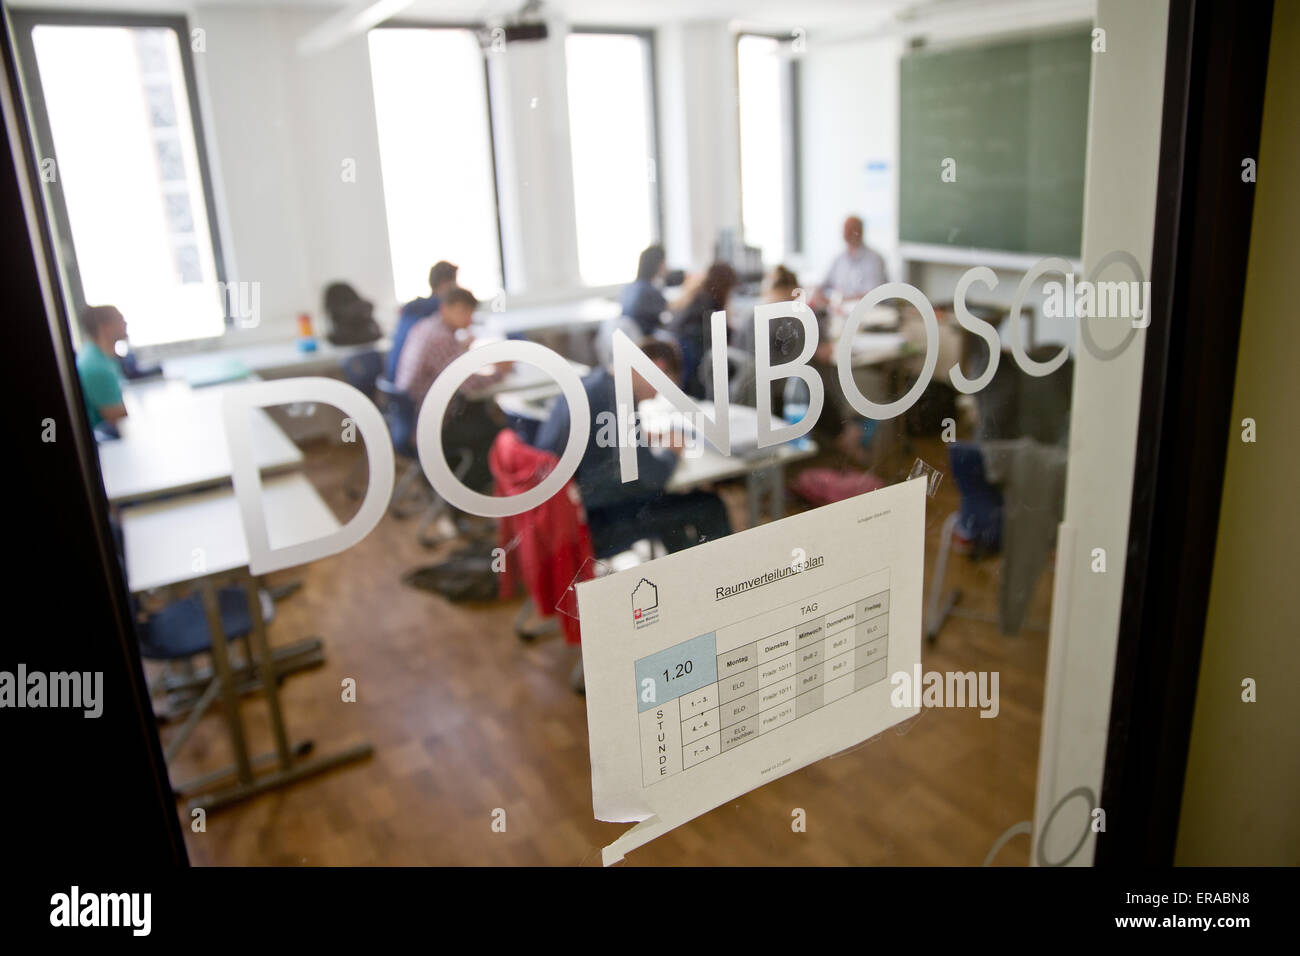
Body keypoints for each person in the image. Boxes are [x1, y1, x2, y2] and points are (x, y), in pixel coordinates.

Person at [534, 338, 731, 555]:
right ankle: (721, 577)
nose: (656, 396)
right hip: (596, 524)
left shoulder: (593, 382)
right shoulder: (620, 399)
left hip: (566, 515)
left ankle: (685, 575)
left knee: (674, 509)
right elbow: (653, 479)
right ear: (658, 368)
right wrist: (671, 451)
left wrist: (639, 436)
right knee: (709, 505)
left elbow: (597, 442)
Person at [394, 287, 510, 493]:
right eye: (464, 311)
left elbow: (445, 368)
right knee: (498, 433)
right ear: (445, 309)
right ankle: (466, 494)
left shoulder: (426, 327)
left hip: (410, 418)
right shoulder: (441, 338)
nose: (469, 318)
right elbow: (467, 384)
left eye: (471, 312)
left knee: (480, 413)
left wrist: (461, 348)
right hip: (432, 424)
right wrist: (501, 371)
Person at [762, 266, 870, 466]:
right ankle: (843, 434)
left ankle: (843, 433)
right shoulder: (788, 320)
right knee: (816, 378)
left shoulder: (758, 314)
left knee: (817, 376)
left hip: (765, 395)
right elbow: (818, 355)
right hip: (780, 396)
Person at [670, 261, 738, 399]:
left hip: (687, 356)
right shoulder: (710, 303)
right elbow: (723, 335)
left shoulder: (698, 295)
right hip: (698, 362)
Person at [387, 260, 459, 381]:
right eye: (455, 282)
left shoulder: (414, 308)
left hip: (394, 380)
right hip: (411, 391)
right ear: (444, 283)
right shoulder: (437, 310)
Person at [813, 215, 886, 306]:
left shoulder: (874, 260)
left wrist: (841, 302)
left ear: (860, 231)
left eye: (851, 229)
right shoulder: (839, 260)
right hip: (839, 313)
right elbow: (822, 286)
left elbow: (873, 295)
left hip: (868, 315)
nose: (846, 233)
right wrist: (818, 295)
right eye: (845, 229)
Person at [75, 305, 129, 428]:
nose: (125, 323)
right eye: (120, 319)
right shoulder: (96, 367)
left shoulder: (100, 356)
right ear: (105, 327)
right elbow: (116, 416)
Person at [621, 244, 669, 336]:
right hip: (646, 340)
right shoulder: (647, 291)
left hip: (633, 339)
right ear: (659, 264)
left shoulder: (630, 288)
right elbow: (671, 307)